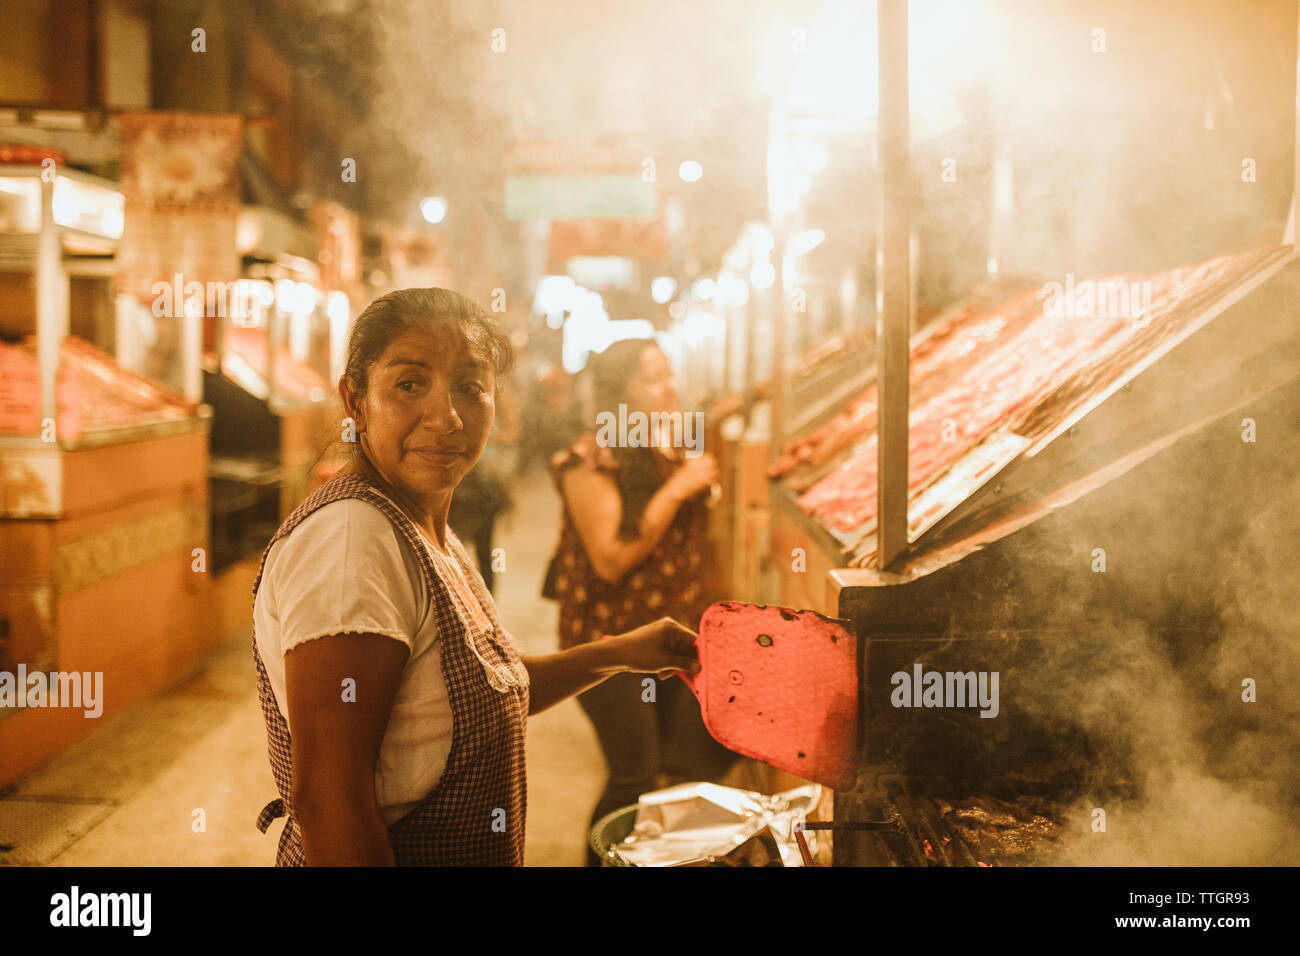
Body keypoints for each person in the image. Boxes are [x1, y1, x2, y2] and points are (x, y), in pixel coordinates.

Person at [250, 289, 701, 866]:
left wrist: (618, 654)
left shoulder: (422, 525)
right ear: (355, 400)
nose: (447, 418)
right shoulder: (353, 542)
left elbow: (470, 700)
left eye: (470, 386)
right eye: (410, 384)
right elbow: (330, 802)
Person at [546, 337, 741, 866]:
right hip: (609, 643)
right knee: (632, 774)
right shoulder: (590, 459)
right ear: (621, 393)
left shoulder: (668, 449)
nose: (670, 386)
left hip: (670, 639)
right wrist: (679, 489)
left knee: (674, 772)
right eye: (653, 377)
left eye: (668, 373)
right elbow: (610, 558)